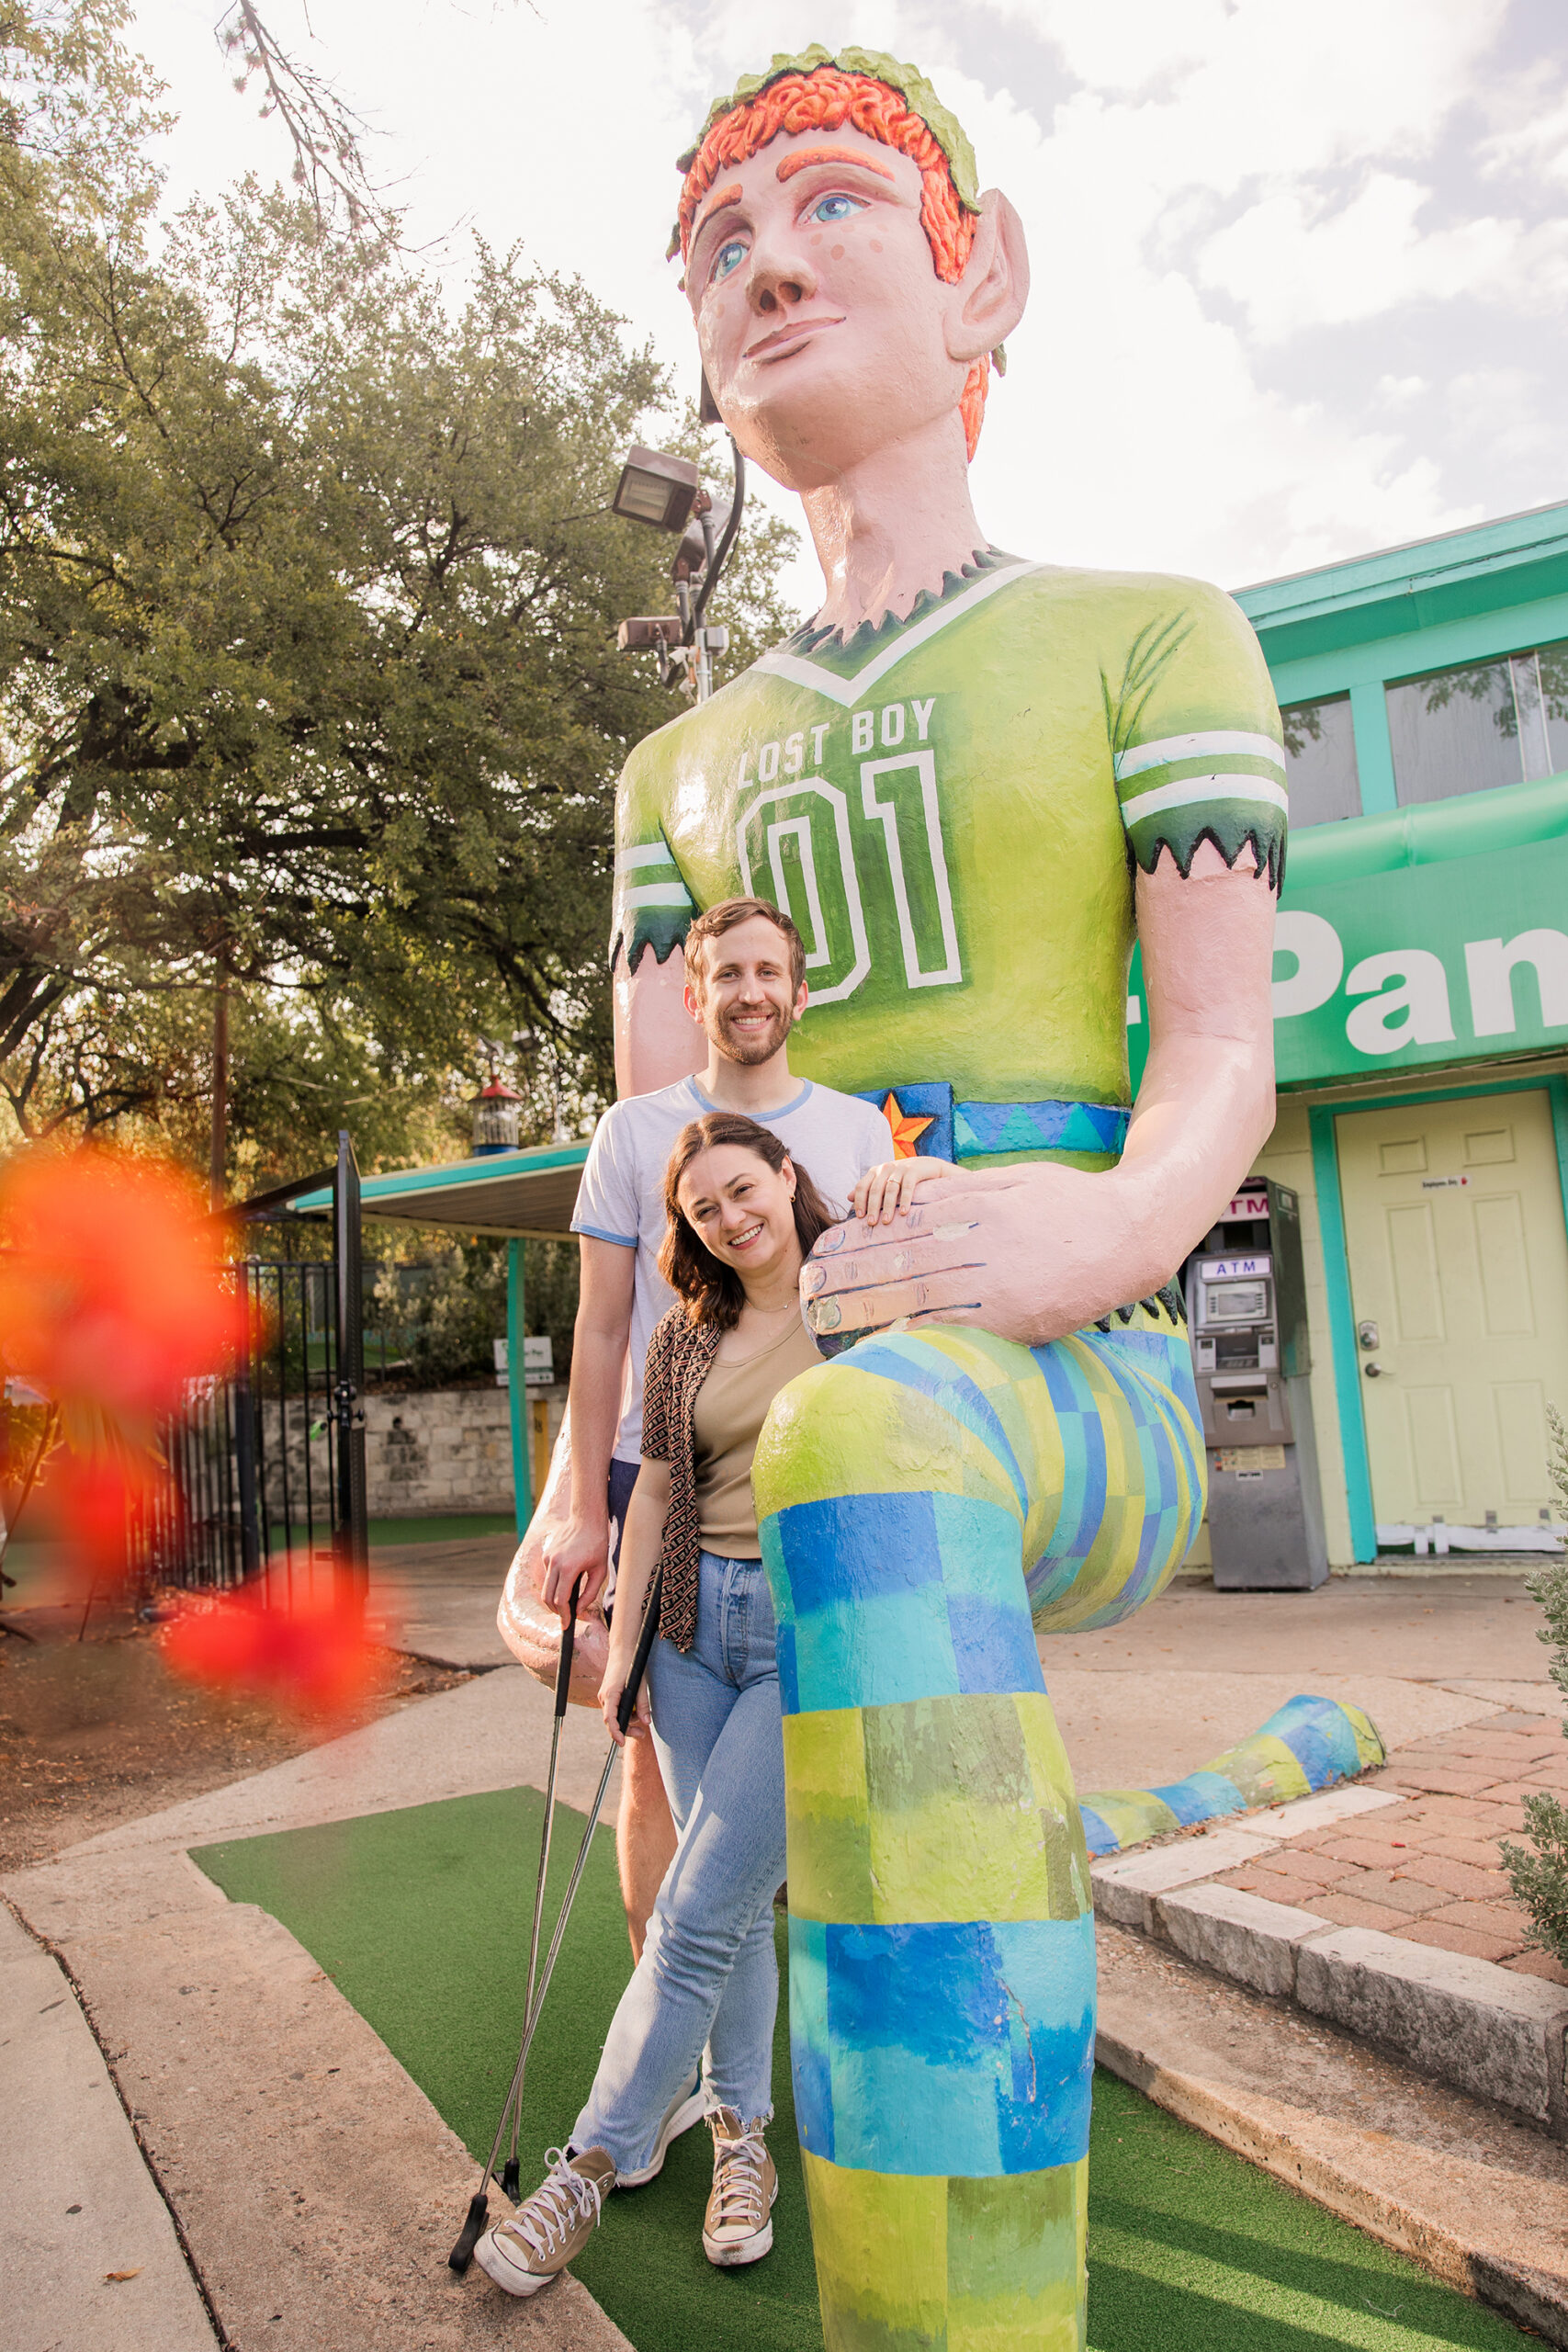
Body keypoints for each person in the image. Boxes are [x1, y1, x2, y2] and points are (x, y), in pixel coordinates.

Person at [608, 45, 1281, 2350]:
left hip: (1047, 1373)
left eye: (828, 208)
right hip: (756, 1380)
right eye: (718, 244)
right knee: (675, 1639)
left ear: (974, 271)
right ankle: (728, 2124)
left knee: (865, 1441)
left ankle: (957, 2306)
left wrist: (1093, 1236)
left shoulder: (1145, 631)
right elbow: (644, 1184)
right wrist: (595, 1485)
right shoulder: (669, 772)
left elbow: (1214, 1053)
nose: (766, 262)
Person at [477, 1115, 845, 2296]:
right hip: (691, 1635)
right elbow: (651, 1502)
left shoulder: (860, 1303)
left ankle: (584, 2167)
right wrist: (626, 1641)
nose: (731, 1219)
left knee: (693, 1912)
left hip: (809, 1636)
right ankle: (744, 2139)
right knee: (722, 1907)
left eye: (745, 1190)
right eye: (704, 1211)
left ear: (787, 1178)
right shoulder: (686, 1337)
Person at [497, 895, 893, 1980]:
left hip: (817, 1474)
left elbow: (879, 1305)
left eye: (769, 973)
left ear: (799, 993)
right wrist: (583, 1508)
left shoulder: (859, 1129)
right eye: (728, 975)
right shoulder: (631, 1132)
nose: (750, 992)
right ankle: (665, 2036)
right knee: (652, 1771)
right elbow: (602, 1325)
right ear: (695, 993)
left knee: (825, 1747)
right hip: (659, 1473)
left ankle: (809, 2012)